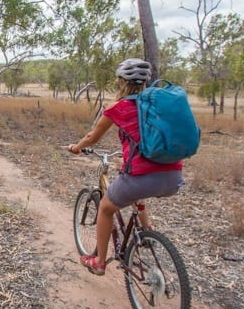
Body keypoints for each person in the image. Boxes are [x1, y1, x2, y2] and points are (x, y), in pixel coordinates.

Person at [67, 58, 184, 276]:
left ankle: (100, 261)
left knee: (105, 208)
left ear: (121, 82)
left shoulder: (119, 107)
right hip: (174, 176)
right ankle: (146, 233)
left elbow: (93, 136)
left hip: (141, 177)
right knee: (138, 195)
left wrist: (76, 147)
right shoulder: (159, 105)